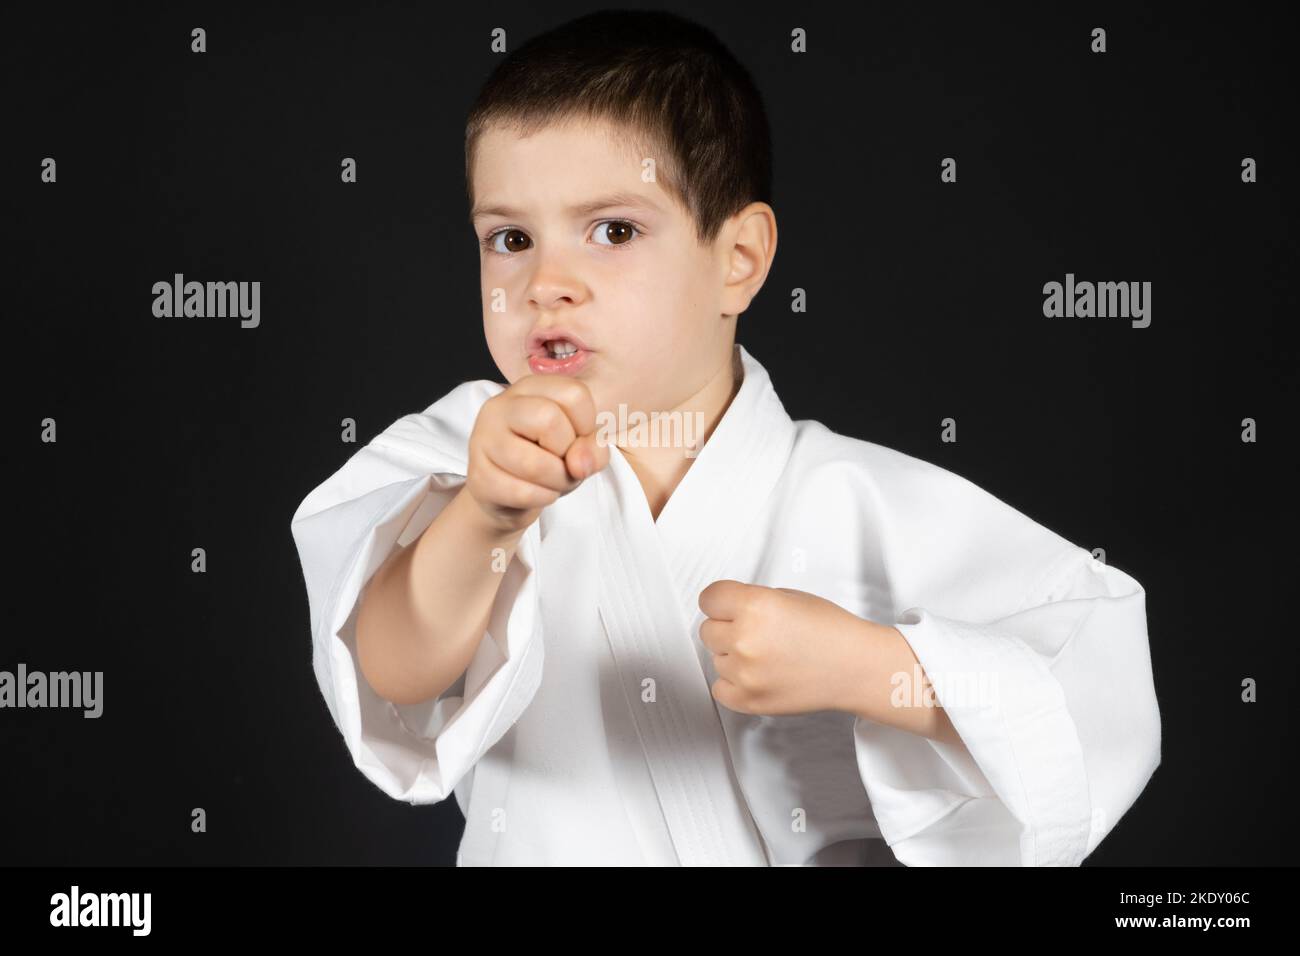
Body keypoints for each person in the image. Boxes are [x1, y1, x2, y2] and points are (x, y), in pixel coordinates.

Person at [289, 10, 1161, 866]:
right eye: (509, 238)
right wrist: (482, 518)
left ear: (737, 259)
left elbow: (1092, 707)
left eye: (614, 231)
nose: (547, 282)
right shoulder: (466, 450)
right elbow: (391, 673)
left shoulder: (852, 498)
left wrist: (873, 667)